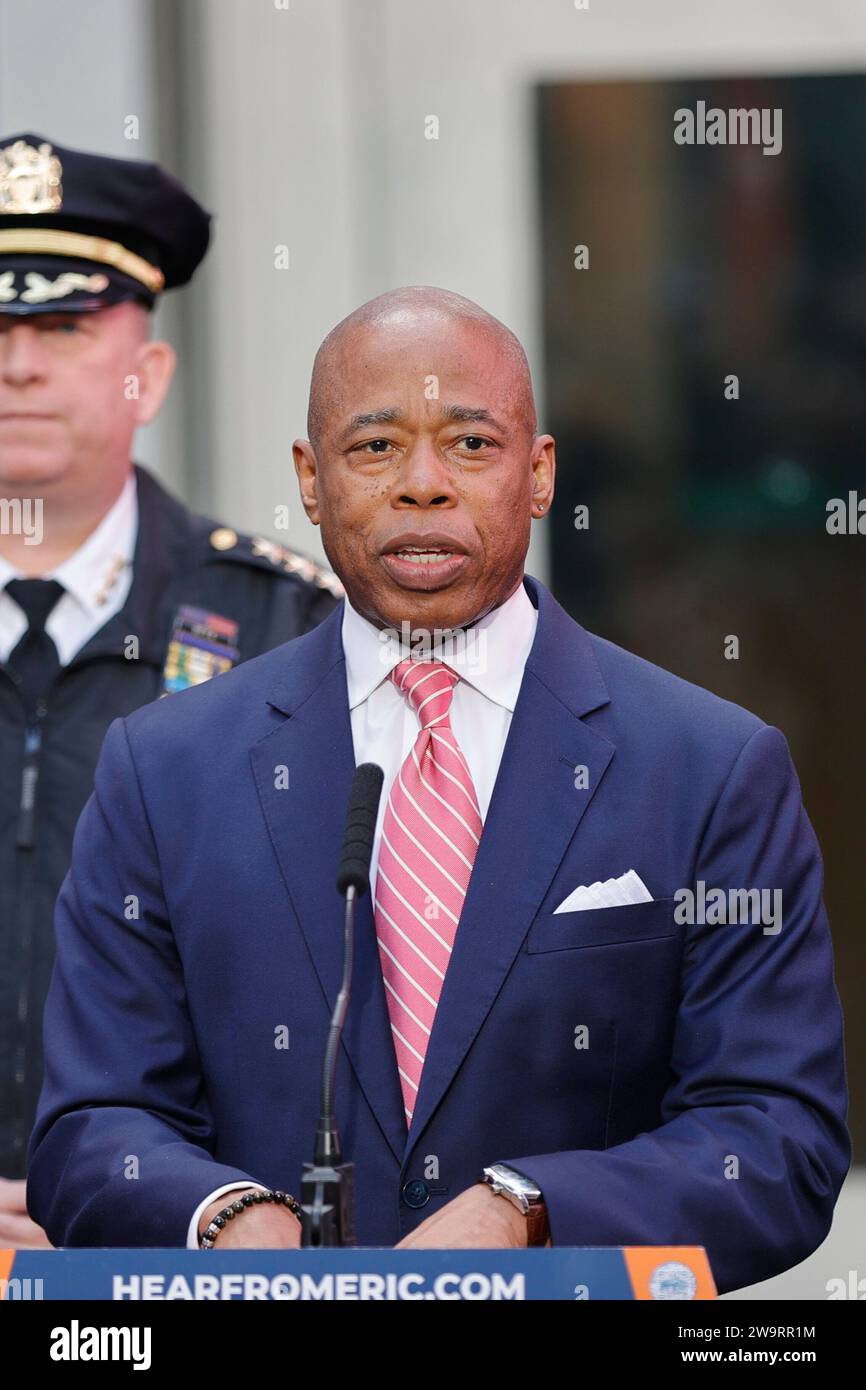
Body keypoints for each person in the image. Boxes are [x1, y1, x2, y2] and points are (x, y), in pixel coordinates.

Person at [27, 287, 849, 1294]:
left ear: (538, 474)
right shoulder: (163, 769)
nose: (422, 485)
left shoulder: (711, 768)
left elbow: (775, 1134)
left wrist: (528, 1208)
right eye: (374, 449)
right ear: (310, 480)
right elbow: (92, 1126)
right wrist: (218, 1218)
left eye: (469, 444)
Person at [0, 134, 341, 1248]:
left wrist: (162, 1201)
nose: (19, 367)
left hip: (188, 1253)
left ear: (146, 375)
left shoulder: (284, 627)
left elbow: (347, 976)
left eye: (60, 328)